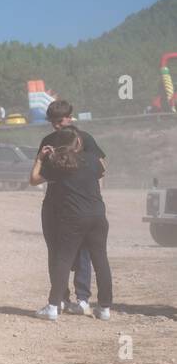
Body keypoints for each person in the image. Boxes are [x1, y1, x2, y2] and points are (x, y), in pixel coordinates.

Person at [30, 127, 114, 321]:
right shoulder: (93, 161)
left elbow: (33, 180)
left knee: (63, 259)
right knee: (101, 261)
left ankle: (53, 306)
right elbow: (102, 169)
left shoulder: (57, 164)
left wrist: (41, 159)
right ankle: (104, 308)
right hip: (98, 216)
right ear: (78, 143)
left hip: (74, 218)